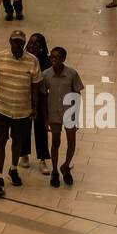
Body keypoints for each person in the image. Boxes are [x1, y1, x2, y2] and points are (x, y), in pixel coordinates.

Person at [0, 29, 40, 196]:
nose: (17, 44)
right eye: (15, 41)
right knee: (0, 141)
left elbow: (35, 86)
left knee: (17, 142)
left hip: (23, 111)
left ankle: (13, 169)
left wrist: (35, 106)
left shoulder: (32, 61)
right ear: (10, 42)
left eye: (20, 42)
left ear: (24, 44)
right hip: (1, 108)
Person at [40, 47, 84, 187]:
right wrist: (46, 118)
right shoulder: (46, 75)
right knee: (55, 142)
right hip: (54, 112)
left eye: (57, 57)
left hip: (69, 113)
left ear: (63, 59)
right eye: (52, 57)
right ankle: (54, 171)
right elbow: (43, 97)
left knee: (72, 143)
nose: (54, 59)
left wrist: (77, 116)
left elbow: (77, 95)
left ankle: (65, 166)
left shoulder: (72, 74)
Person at [20, 32, 52, 173]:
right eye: (30, 43)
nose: (32, 46)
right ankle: (24, 155)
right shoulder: (23, 59)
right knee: (24, 128)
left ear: (42, 47)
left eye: (36, 43)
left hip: (41, 100)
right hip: (25, 99)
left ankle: (42, 159)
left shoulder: (47, 63)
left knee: (41, 130)